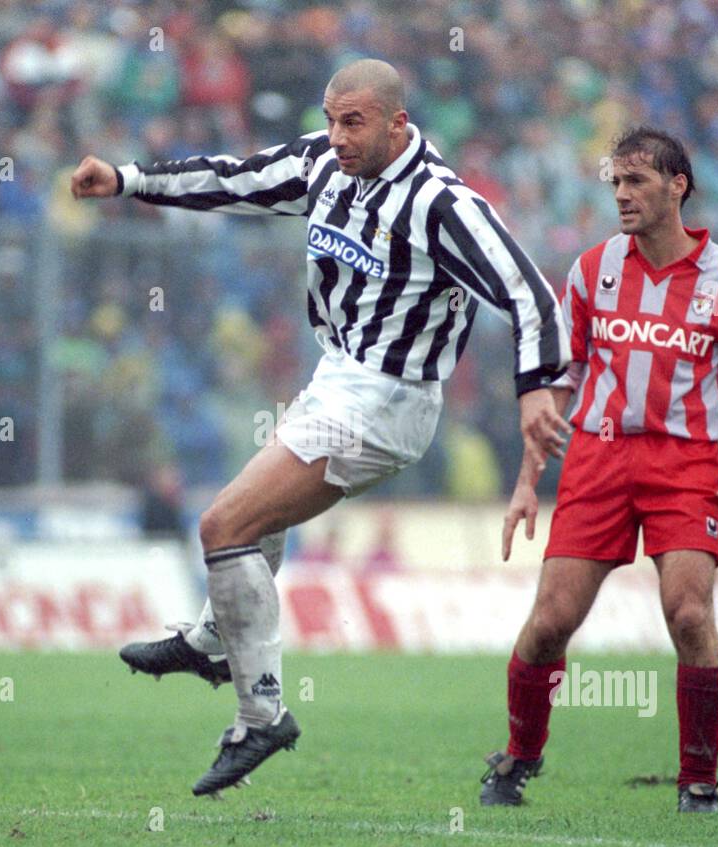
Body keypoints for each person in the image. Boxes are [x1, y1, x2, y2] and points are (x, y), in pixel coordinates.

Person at [70, 59, 569, 796]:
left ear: (399, 121)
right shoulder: (322, 164)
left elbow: (532, 296)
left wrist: (536, 390)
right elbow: (233, 179)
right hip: (335, 381)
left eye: (354, 121)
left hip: (390, 401)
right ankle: (214, 639)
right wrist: (127, 178)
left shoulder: (443, 204)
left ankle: (260, 714)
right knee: (253, 522)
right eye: (331, 119)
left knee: (223, 526)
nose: (336, 135)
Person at [484, 127, 718, 814]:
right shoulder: (592, 271)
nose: (621, 194)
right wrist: (529, 481)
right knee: (551, 621)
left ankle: (699, 780)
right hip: (598, 456)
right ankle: (520, 754)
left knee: (687, 613)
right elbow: (560, 383)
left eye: (636, 181)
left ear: (678, 186)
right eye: (615, 182)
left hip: (684, 464)